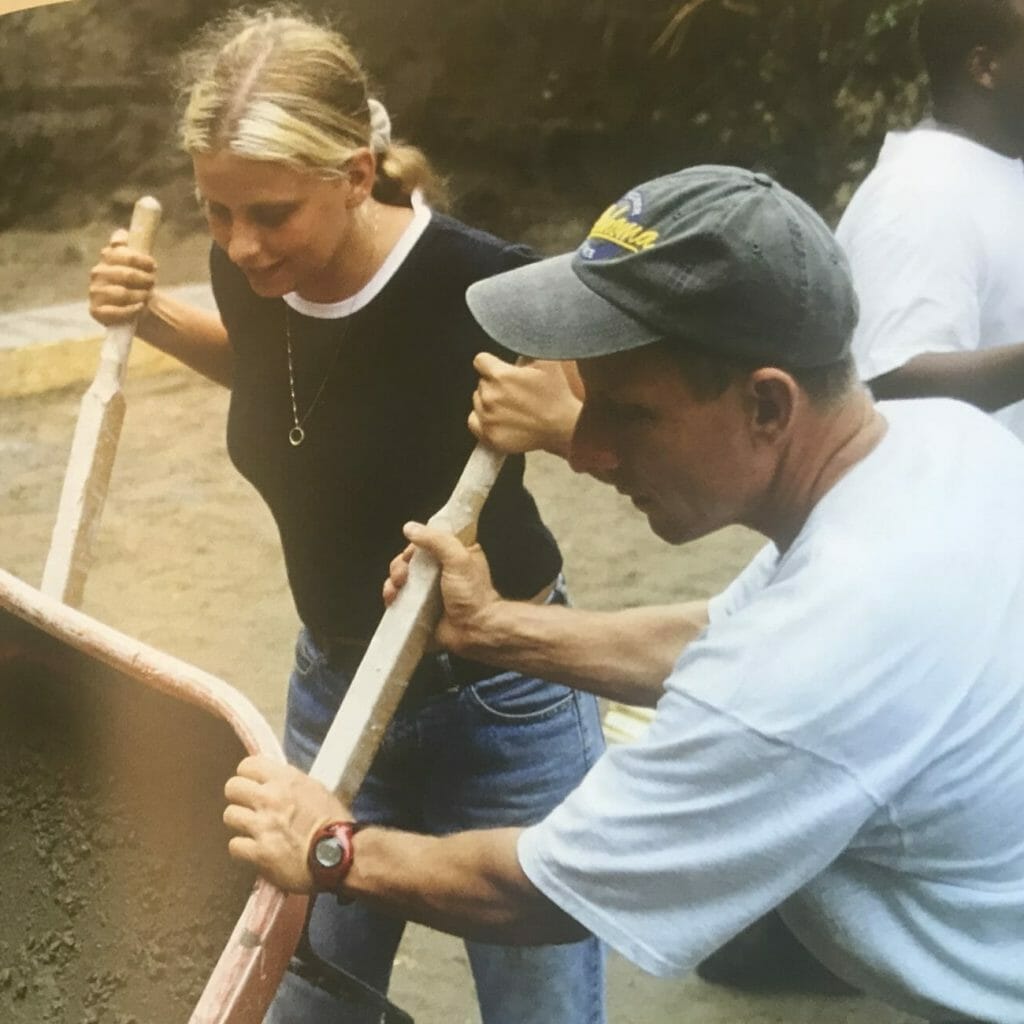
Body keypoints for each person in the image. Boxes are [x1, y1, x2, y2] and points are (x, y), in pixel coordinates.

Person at [224, 165, 1024, 1023]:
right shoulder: (939, 444)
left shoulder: (818, 658)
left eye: (630, 414)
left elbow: (541, 889)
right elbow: (723, 639)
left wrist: (333, 850)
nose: (591, 450)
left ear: (766, 405)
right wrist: (494, 628)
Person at [87, 10, 607, 1024]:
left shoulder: (487, 284)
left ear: (357, 175)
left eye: (272, 213)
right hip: (333, 690)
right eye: (217, 211)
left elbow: (659, 446)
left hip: (502, 702)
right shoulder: (248, 271)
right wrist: (152, 317)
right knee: (306, 1002)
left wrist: (564, 423)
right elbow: (283, 390)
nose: (241, 243)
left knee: (538, 1008)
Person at [836, 0, 1024, 440]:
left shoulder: (999, 169)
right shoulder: (920, 190)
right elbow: (894, 379)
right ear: (985, 67)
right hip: (955, 506)